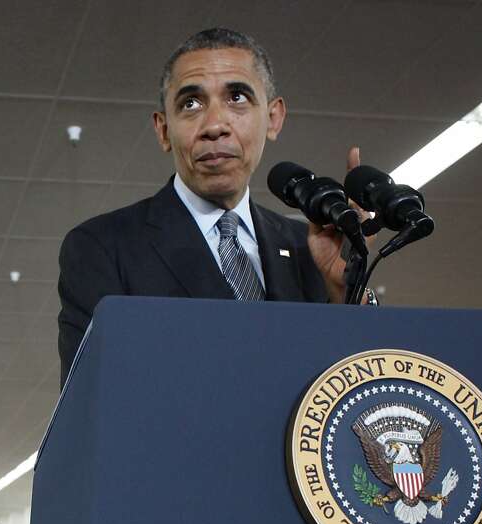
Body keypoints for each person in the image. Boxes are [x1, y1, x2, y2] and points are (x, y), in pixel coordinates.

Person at [57, 27, 368, 386]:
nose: (215, 125)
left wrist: (348, 294)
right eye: (191, 103)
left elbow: (350, 394)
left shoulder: (312, 248)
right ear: (163, 130)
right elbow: (92, 403)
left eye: (237, 97)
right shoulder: (103, 247)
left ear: (273, 117)